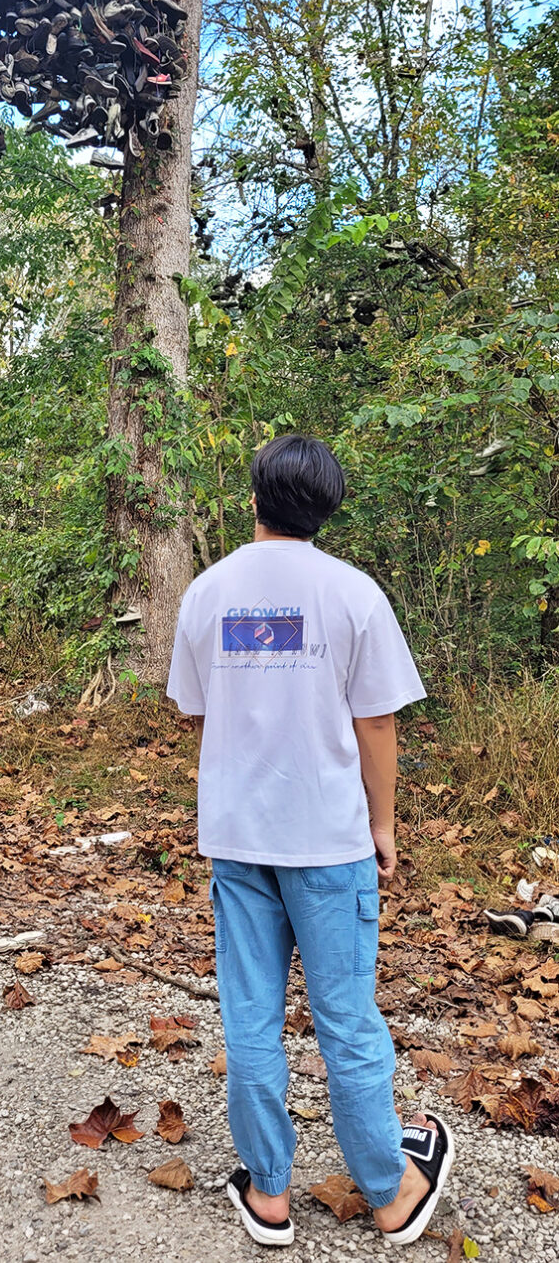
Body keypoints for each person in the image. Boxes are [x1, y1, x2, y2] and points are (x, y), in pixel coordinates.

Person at [167, 434, 454, 1248]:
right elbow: (375, 721)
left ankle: (267, 1193)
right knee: (345, 1017)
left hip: (236, 835)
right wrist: (382, 824)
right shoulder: (353, 594)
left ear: (253, 494)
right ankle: (388, 1191)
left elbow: (193, 705)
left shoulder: (207, 592)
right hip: (328, 840)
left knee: (250, 1015)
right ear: (326, 509)